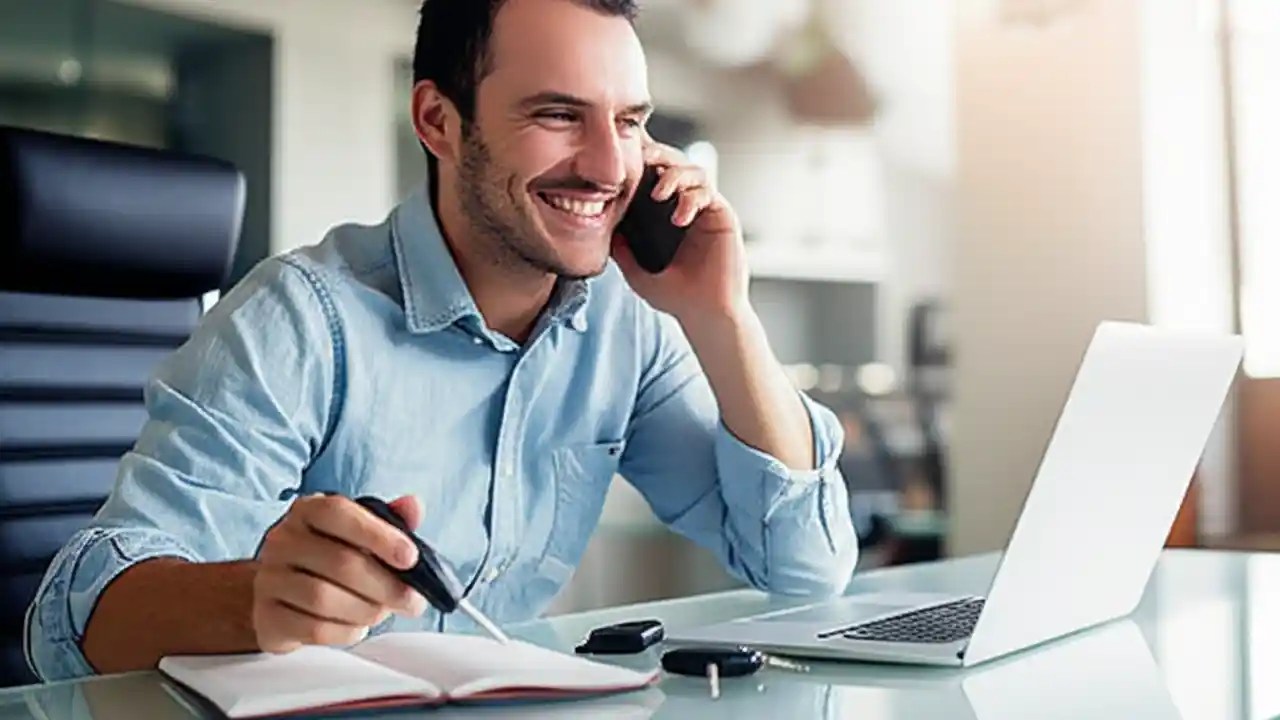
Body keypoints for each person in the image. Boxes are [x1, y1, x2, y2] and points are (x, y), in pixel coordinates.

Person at [25, 0, 858, 681]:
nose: (611, 166)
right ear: (438, 120)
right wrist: (256, 599)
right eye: (560, 115)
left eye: (632, 122)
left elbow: (805, 569)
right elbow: (73, 620)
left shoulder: (624, 323)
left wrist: (722, 316)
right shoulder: (302, 319)